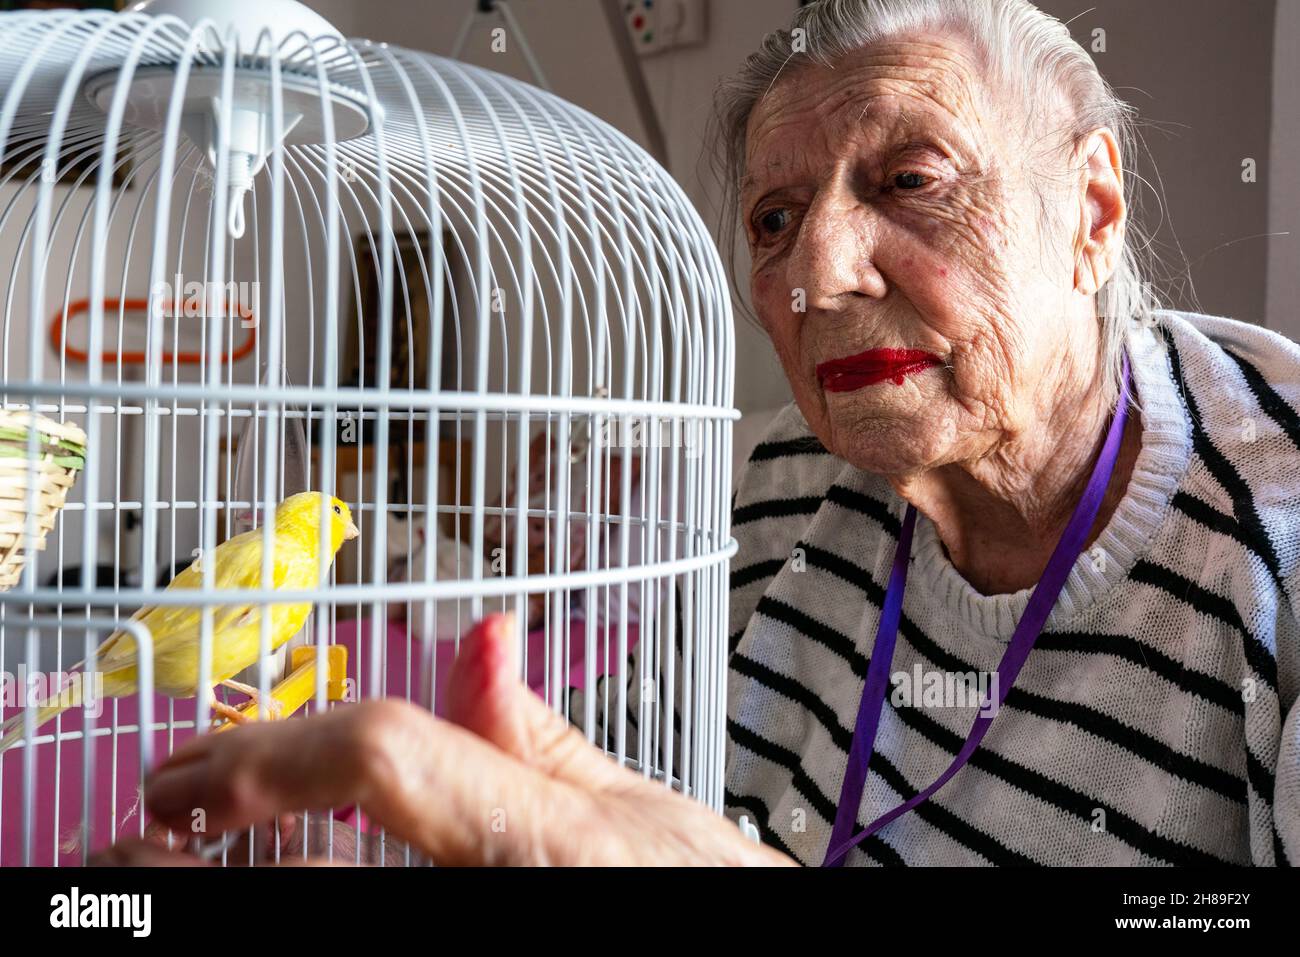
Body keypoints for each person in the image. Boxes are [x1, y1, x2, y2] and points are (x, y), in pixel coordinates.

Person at [105, 0, 1300, 866]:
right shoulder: (789, 480)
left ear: (1090, 209)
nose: (815, 277)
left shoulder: (1276, 525)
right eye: (773, 217)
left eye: (910, 180)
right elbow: (636, 788)